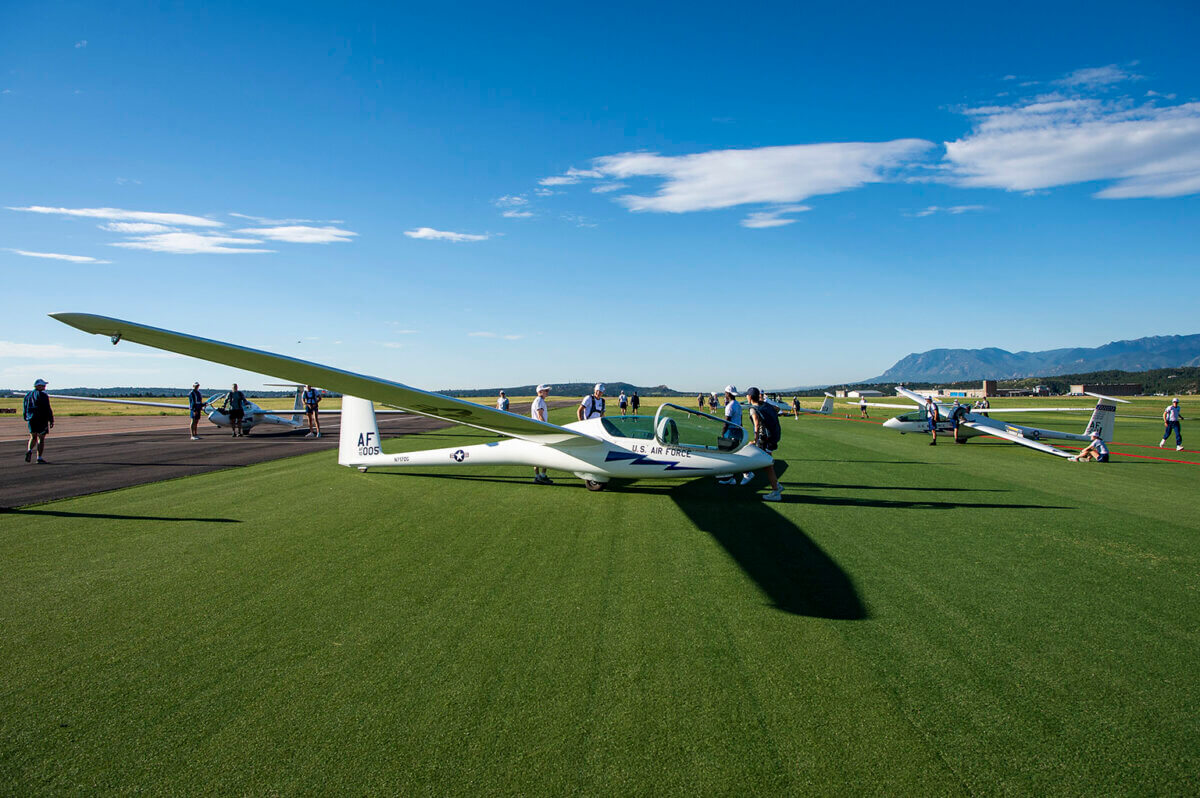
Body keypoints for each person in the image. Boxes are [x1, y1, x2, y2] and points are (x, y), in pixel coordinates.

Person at [744, 387, 784, 501]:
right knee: (768, 463)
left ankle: (776, 491)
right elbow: (777, 409)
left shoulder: (753, 409)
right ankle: (777, 485)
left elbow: (756, 424)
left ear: (750, 397)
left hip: (764, 439)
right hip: (773, 438)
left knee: (767, 466)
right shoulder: (766, 405)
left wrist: (755, 440)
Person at [717, 386, 749, 485]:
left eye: (726, 392)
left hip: (731, 431)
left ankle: (744, 473)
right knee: (733, 454)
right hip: (738, 430)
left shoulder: (730, 406)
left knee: (727, 454)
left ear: (728, 394)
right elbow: (740, 419)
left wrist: (722, 433)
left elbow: (726, 421)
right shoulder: (738, 405)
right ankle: (731, 477)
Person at [23, 378, 53, 464]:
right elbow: (47, 408)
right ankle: (39, 457)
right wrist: (51, 419)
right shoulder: (43, 395)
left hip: (31, 419)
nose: (44, 387)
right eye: (43, 385)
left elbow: (25, 407)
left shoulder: (27, 395)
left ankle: (29, 450)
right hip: (41, 419)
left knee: (33, 437)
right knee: (41, 438)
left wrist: (26, 416)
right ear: (38, 386)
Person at [530, 384, 554, 484]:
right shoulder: (539, 401)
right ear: (540, 391)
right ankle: (542, 476)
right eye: (546, 391)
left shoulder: (538, 400)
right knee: (546, 453)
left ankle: (537, 476)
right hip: (540, 431)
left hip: (536, 431)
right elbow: (540, 416)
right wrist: (547, 429)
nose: (548, 392)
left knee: (538, 454)